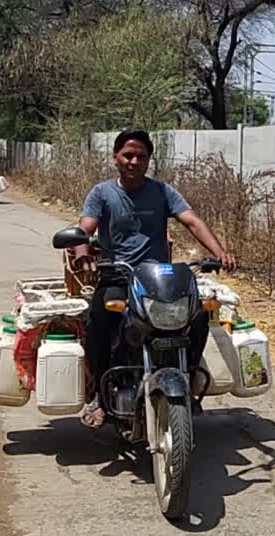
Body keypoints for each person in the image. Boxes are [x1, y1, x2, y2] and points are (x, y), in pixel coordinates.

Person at [69, 127, 236, 428]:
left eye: (140, 156)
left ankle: (189, 379)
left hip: (158, 278)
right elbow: (84, 228)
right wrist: (83, 255)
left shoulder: (162, 191)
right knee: (98, 322)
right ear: (115, 158)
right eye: (128, 155)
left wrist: (219, 252)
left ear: (149, 161)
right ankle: (98, 395)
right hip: (118, 275)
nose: (134, 161)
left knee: (197, 316)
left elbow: (192, 221)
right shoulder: (102, 193)